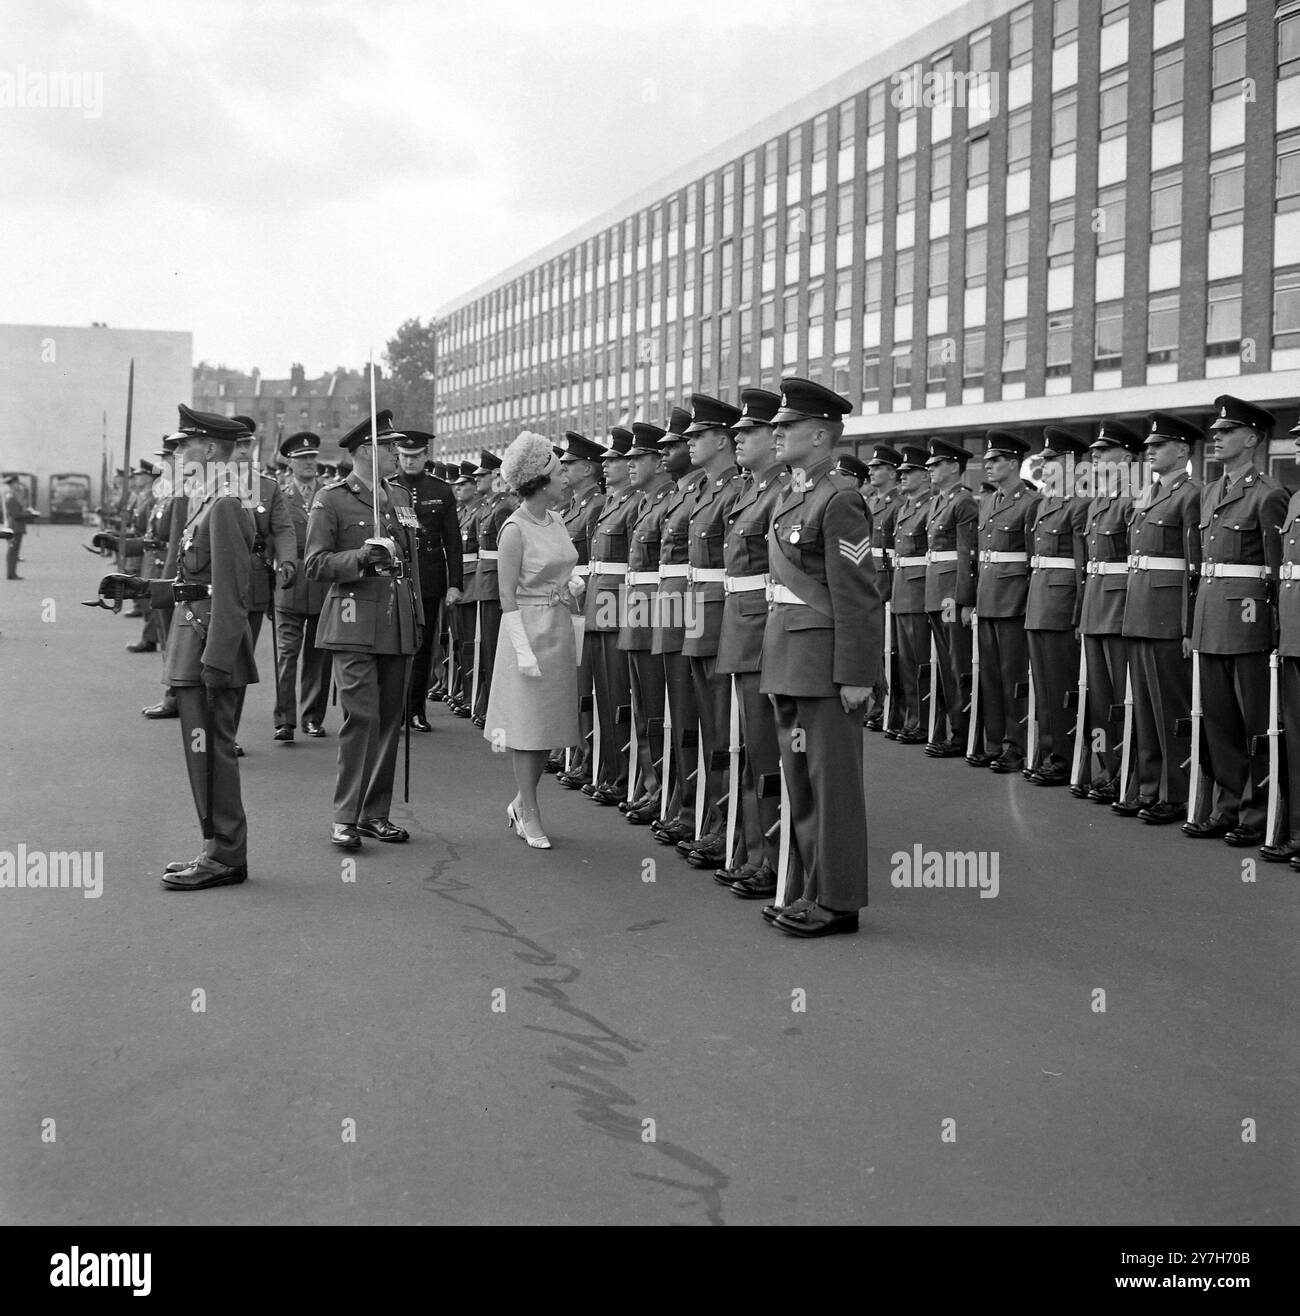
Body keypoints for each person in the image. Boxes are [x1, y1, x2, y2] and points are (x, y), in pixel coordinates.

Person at [92, 405, 257, 890]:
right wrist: (143, 589)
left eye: (185, 445)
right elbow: (193, 583)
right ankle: (215, 848)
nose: (178, 453)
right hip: (193, 640)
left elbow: (231, 594)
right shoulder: (205, 502)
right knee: (200, 754)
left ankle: (226, 854)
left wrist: (217, 661)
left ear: (209, 450)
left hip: (208, 647)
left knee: (213, 754)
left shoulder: (225, 505)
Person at [761, 377, 882, 938]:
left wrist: (858, 675)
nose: (776, 433)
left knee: (831, 788)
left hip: (825, 665)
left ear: (819, 434)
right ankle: (809, 888)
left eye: (786, 426)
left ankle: (838, 901)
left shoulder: (840, 499)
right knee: (802, 784)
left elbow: (858, 594)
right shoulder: (792, 495)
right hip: (789, 654)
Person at [304, 409, 423, 851]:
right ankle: (345, 815)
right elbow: (314, 564)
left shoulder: (399, 496)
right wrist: (361, 557)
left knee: (392, 719)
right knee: (362, 717)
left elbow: (410, 564)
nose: (398, 453)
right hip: (353, 622)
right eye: (389, 446)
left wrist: (418, 618)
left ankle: (376, 814)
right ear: (364, 452)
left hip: (396, 622)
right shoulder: (331, 498)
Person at [1183, 395, 1288, 848]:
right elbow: (1200, 567)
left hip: (1248, 625)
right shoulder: (1209, 493)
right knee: (1219, 723)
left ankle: (1257, 812)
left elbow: (1277, 570)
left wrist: (1276, 631)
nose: (1217, 439)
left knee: (1253, 725)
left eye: (1226, 433)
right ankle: (1226, 808)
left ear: (1252, 439)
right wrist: (1193, 625)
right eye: (1215, 433)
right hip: (1210, 619)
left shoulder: (1269, 495)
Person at [483, 432, 584, 849]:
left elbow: (563, 568)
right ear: (541, 481)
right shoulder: (514, 528)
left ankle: (522, 801)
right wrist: (523, 652)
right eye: (559, 471)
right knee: (525, 728)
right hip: (525, 633)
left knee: (548, 725)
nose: (566, 477)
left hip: (558, 627)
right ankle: (530, 811)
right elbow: (507, 597)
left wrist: (573, 584)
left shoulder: (557, 520)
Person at [713, 386, 787, 899]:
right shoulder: (749, 490)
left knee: (767, 750)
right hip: (740, 628)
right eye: (736, 433)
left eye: (749, 432)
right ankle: (751, 845)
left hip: (764, 632)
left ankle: (773, 856)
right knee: (746, 745)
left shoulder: (782, 491)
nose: (738, 439)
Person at [1117, 413, 1202, 823]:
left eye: (1159, 445)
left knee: (1172, 709)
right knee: (1146, 709)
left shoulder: (1191, 494)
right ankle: (1148, 787)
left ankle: (1176, 793)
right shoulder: (1145, 494)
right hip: (1139, 611)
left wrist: (1188, 627)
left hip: (1168, 616)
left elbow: (1194, 568)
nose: (1149, 451)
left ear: (1183, 450)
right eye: (1148, 446)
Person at [679, 394, 746, 866]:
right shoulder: (702, 491)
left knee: (727, 729)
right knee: (710, 727)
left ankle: (730, 825)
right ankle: (715, 818)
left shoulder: (735, 491)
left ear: (721, 440)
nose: (690, 443)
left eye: (698, 436)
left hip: (725, 617)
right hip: (700, 616)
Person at [1074, 420, 1141, 802]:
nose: (1095, 457)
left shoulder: (1138, 497)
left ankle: (1127, 773)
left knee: (1122, 698)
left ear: (1128, 457)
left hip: (1120, 608)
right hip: (1097, 605)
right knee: (1100, 698)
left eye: (1104, 451)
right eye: (1094, 452)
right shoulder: (1099, 500)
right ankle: (1107, 769)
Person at [650, 409, 707, 846]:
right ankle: (680, 800)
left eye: (677, 444)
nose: (671, 450)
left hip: (699, 610)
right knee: (675, 713)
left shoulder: (707, 492)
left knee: (694, 716)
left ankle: (695, 807)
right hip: (672, 607)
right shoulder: (678, 495)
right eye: (667, 445)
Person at [970, 430, 1040, 773]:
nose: (988, 465)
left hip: (1014, 600)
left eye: (996, 460)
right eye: (987, 460)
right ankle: (995, 741)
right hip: (988, 598)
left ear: (1013, 463)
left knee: (1014, 678)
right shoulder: (989, 501)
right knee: (992, 677)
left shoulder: (1030, 502)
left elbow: (1032, 559)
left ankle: (1016, 745)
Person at [1024, 427, 1089, 785]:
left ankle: (1064, 757)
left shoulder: (1078, 504)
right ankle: (1048, 751)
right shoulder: (1045, 503)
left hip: (1062, 604)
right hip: (1040, 600)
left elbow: (1081, 567)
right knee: (1045, 685)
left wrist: (1078, 613)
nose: (1045, 466)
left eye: (1051, 460)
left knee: (1062, 685)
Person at [616, 423, 673, 819]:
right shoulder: (647, 501)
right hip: (637, 605)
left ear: (659, 462)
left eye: (639, 457)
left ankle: (663, 792)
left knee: (659, 705)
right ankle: (649, 783)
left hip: (663, 610)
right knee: (642, 704)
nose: (630, 464)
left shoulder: (665, 500)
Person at [391, 431, 463, 732]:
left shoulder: (441, 490)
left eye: (415, 456)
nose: (409, 461)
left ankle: (416, 710)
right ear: (398, 456)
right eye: (404, 456)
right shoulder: (388, 488)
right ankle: (394, 711)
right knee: (395, 644)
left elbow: (453, 541)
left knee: (423, 645)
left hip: (430, 575)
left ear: (425, 456)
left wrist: (454, 583)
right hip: (397, 574)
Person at [581, 427, 638, 804]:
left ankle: (621, 774)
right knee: (602, 691)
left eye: (615, 459)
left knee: (618, 693)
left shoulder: (631, 503)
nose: (609, 464)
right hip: (599, 604)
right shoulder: (613, 503)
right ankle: (608, 768)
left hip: (621, 606)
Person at [555, 432, 607, 786]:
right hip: (569, 599)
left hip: (585, 598)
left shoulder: (596, 505)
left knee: (585, 682)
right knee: (572, 680)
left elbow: (590, 562)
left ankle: (586, 756)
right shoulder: (571, 506)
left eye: (569, 464)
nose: (563, 469)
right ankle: (571, 749)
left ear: (587, 468)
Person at [272, 432, 330, 742]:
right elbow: (271, 541)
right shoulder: (280, 496)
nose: (309, 463)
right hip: (289, 584)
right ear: (290, 462)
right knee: (287, 655)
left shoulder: (330, 494)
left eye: (312, 458)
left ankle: (313, 718)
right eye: (302, 458)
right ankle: (284, 720)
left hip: (322, 584)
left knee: (319, 657)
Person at [922, 437, 977, 758]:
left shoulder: (963, 502)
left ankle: (962, 733)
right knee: (945, 664)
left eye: (936, 464)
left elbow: (966, 554)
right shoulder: (939, 501)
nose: (930, 469)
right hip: (935, 591)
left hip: (949, 596)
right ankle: (953, 728)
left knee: (957, 664)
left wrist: (965, 599)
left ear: (954, 467)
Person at [884, 446, 934, 746]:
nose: (902, 477)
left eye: (909, 472)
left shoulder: (929, 507)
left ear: (925, 476)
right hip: (902, 588)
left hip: (918, 591)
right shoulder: (905, 508)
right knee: (905, 662)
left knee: (919, 662)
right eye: (900, 473)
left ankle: (924, 720)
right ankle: (912, 718)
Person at [471, 451, 516, 728]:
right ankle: (487, 704)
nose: (477, 480)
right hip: (485, 582)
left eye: (482, 475)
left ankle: (495, 709)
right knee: (486, 649)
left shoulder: (504, 507)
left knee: (494, 650)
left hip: (495, 582)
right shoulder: (493, 505)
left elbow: (507, 554)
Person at [861, 445, 904, 733]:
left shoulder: (898, 504)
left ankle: (888, 708)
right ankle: (877, 705)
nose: (872, 471)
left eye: (878, 468)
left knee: (890, 651)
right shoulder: (870, 503)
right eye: (871, 467)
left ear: (892, 473)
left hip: (887, 584)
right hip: (871, 582)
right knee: (874, 650)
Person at [449, 462, 484, 717]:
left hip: (475, 584)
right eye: (457, 485)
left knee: (473, 643)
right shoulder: (462, 512)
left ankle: (475, 695)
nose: (458, 489)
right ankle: (466, 690)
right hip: (462, 580)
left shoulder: (481, 511)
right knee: (459, 642)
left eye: (464, 484)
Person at [3, 474, 39, 579]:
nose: (18, 485)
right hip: (13, 527)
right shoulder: (11, 497)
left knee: (15, 551)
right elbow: (16, 515)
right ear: (12, 484)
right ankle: (11, 573)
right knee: (12, 551)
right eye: (16, 483)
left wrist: (29, 513)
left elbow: (21, 510)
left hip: (18, 527)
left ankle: (13, 572)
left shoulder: (16, 496)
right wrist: (30, 515)